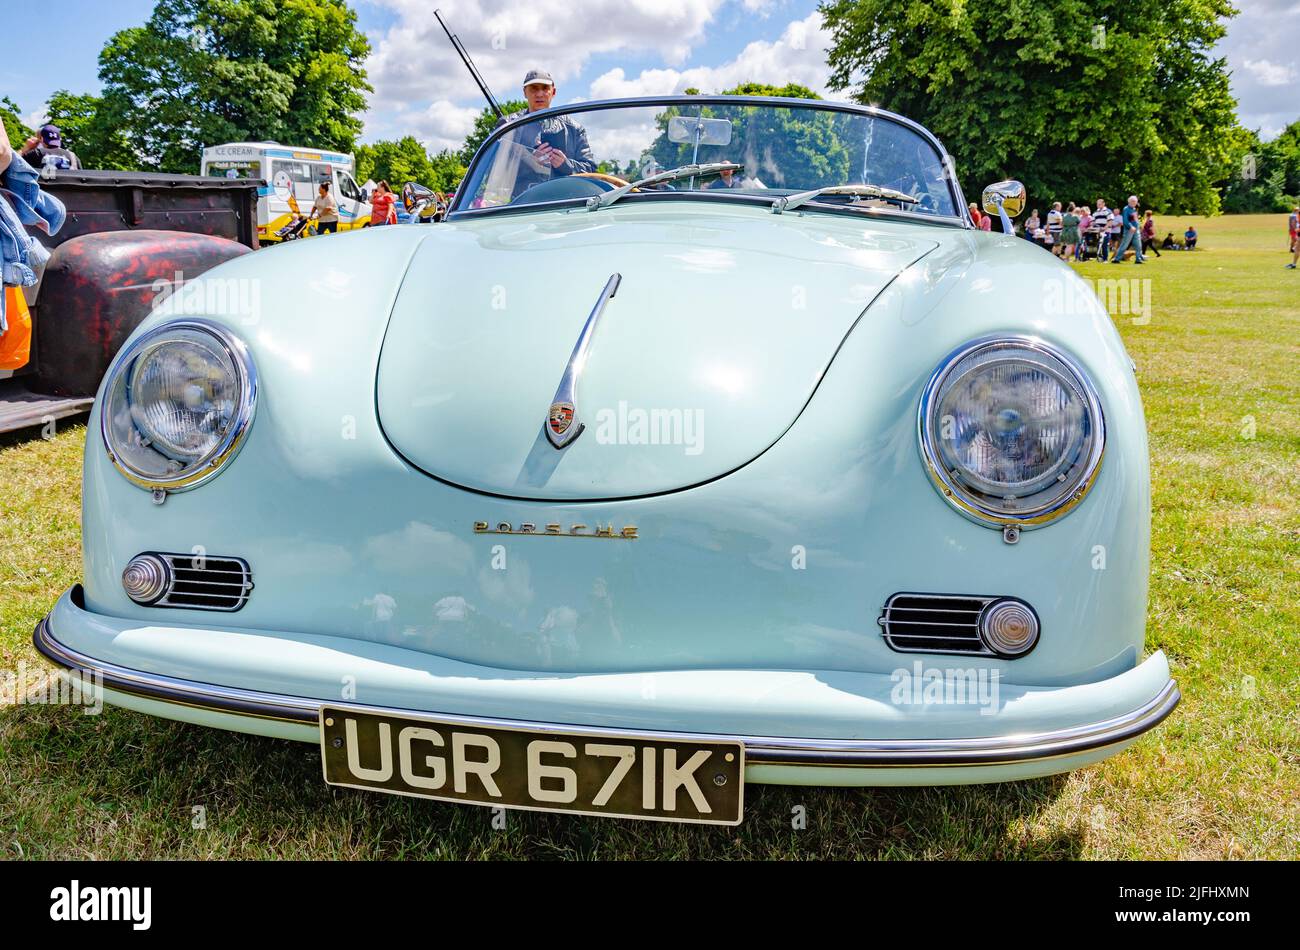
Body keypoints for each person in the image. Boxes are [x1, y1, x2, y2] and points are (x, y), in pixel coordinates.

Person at [496, 69, 596, 198]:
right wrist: (530, 160)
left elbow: (590, 170)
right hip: (522, 204)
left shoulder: (575, 129)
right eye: (534, 89)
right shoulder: (507, 125)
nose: (539, 94)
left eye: (545, 88)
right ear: (525, 92)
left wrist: (565, 165)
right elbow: (495, 168)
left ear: (553, 92)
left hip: (566, 203)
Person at [1110, 195, 1144, 264]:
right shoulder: (1126, 209)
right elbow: (1125, 220)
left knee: (1138, 245)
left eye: (1135, 201)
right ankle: (1116, 259)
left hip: (1136, 230)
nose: (1134, 203)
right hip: (1129, 230)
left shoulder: (1134, 209)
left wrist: (1139, 226)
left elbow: (1135, 219)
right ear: (1129, 201)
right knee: (1124, 244)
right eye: (1132, 201)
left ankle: (1138, 259)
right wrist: (1130, 227)